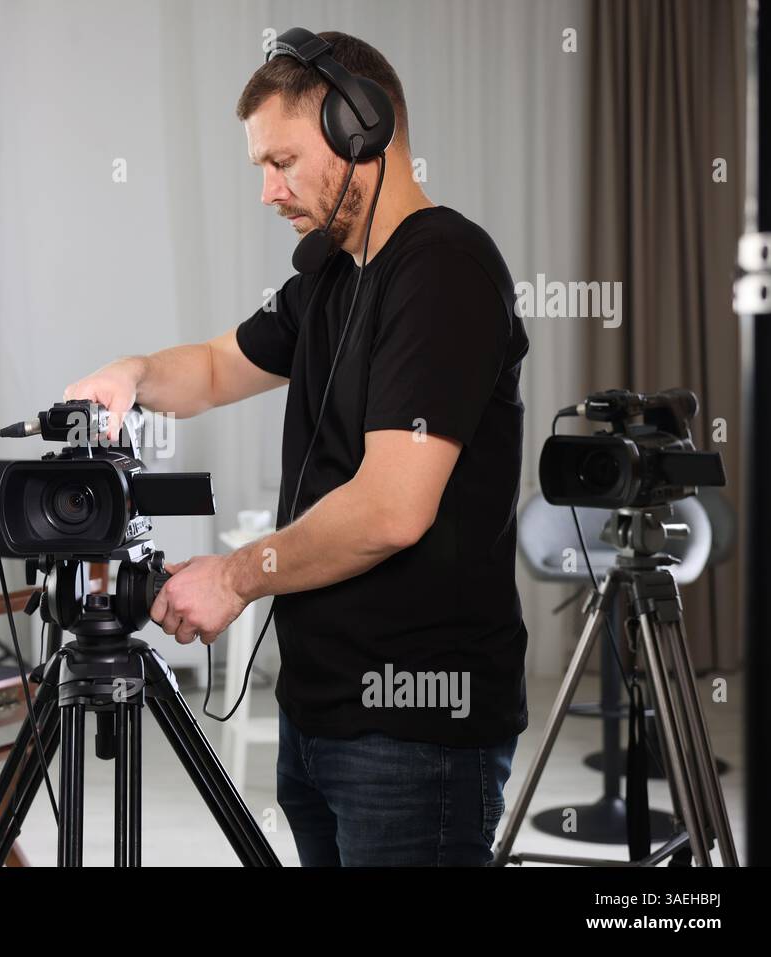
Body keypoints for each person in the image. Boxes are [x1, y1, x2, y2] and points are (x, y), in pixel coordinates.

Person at [63, 30, 530, 866]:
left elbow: (392, 508)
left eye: (282, 161)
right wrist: (129, 373)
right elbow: (212, 367)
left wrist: (233, 577)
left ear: (362, 130)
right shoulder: (330, 274)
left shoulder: (443, 269)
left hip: (415, 727)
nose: (268, 190)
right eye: (259, 169)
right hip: (320, 712)